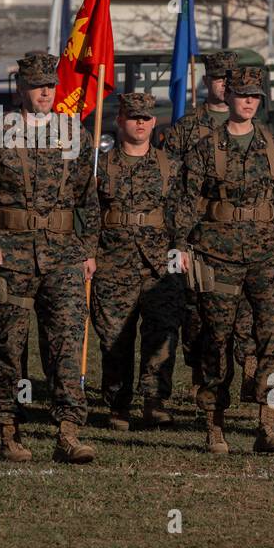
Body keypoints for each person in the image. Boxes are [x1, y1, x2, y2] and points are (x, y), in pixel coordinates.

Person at [0, 52, 99, 464]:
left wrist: (88, 250)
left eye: (50, 86)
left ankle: (68, 431)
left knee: (67, 342)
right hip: (11, 257)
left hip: (63, 257)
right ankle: (7, 430)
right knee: (9, 346)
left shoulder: (74, 134)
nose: (44, 93)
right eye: (37, 86)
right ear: (21, 90)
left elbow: (87, 198)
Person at [179, 66, 274, 455]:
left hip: (267, 253)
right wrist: (181, 246)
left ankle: (268, 423)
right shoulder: (206, 147)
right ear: (227, 98)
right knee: (217, 339)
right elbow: (185, 201)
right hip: (217, 253)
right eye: (242, 94)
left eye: (255, 95)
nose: (249, 101)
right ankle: (215, 425)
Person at [93, 92, 184, 431]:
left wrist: (181, 249)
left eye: (146, 118)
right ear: (120, 121)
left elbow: (180, 213)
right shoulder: (101, 165)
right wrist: (89, 254)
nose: (141, 123)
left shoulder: (168, 165)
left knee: (161, 333)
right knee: (114, 337)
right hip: (113, 261)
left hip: (159, 264)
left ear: (155, 121)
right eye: (134, 117)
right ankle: (118, 405)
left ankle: (155, 401)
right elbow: (89, 214)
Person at [162, 51, 237, 401]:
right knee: (196, 313)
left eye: (230, 78)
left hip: (241, 236)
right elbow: (170, 181)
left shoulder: (251, 127)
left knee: (244, 315)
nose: (225, 84)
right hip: (198, 233)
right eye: (219, 78)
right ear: (207, 82)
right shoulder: (186, 128)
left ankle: (238, 379)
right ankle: (200, 376)